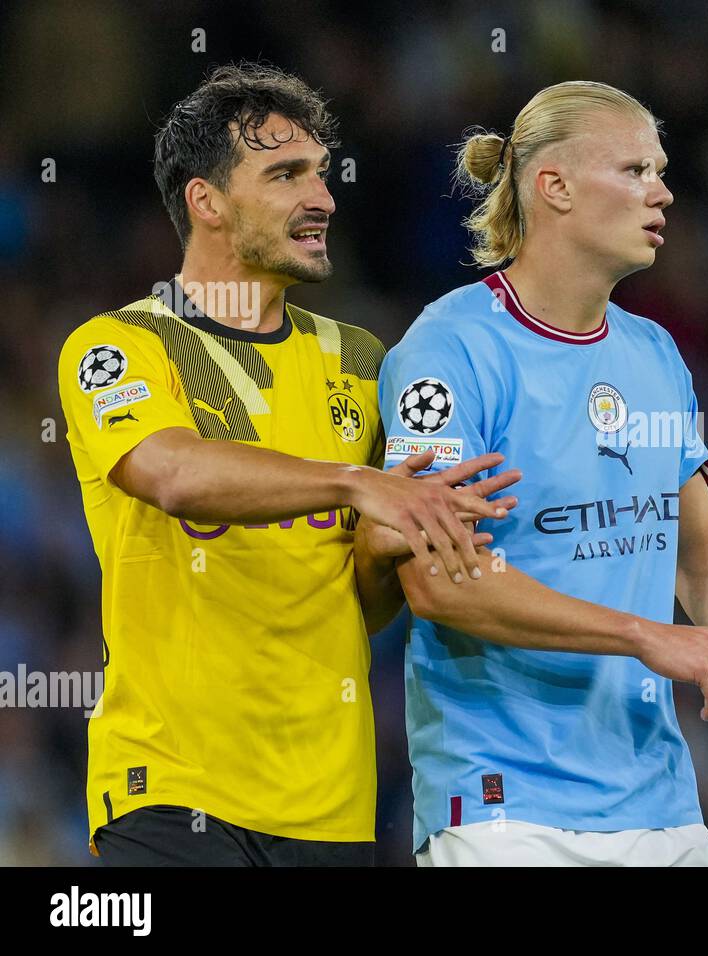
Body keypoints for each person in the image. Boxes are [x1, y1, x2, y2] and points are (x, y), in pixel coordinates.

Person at [368, 81, 708, 866]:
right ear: (551, 186)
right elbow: (436, 582)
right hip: (504, 806)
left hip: (658, 802)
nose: (661, 191)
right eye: (633, 170)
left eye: (660, 171)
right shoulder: (449, 351)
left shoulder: (656, 356)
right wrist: (641, 635)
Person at [56, 62, 515, 866]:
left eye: (323, 175)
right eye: (286, 175)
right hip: (168, 791)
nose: (324, 199)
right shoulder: (118, 346)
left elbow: (360, 606)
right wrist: (354, 482)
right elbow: (171, 474)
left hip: (332, 809)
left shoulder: (364, 361)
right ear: (207, 201)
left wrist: (392, 542)